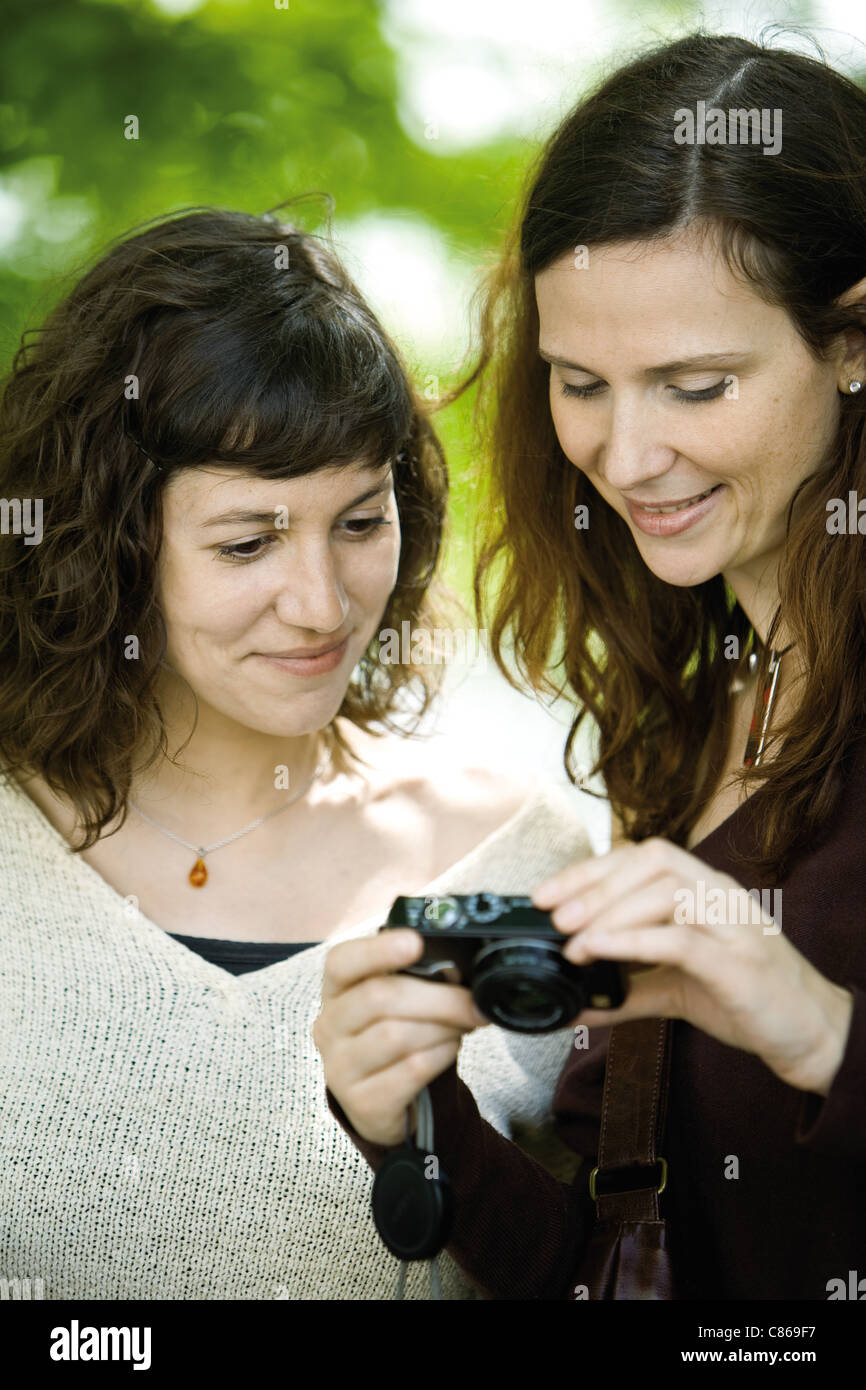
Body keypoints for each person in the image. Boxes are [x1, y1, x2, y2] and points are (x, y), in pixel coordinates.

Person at [315, 31, 866, 1300]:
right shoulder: (690, 711)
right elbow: (626, 1266)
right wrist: (410, 1112)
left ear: (849, 343)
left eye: (693, 385)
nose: (622, 457)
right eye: (579, 383)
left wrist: (820, 1034)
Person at [0, 205, 596, 1299]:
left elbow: (607, 1276)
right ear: (109, 543)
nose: (321, 604)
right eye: (248, 540)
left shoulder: (527, 868)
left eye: (361, 522)